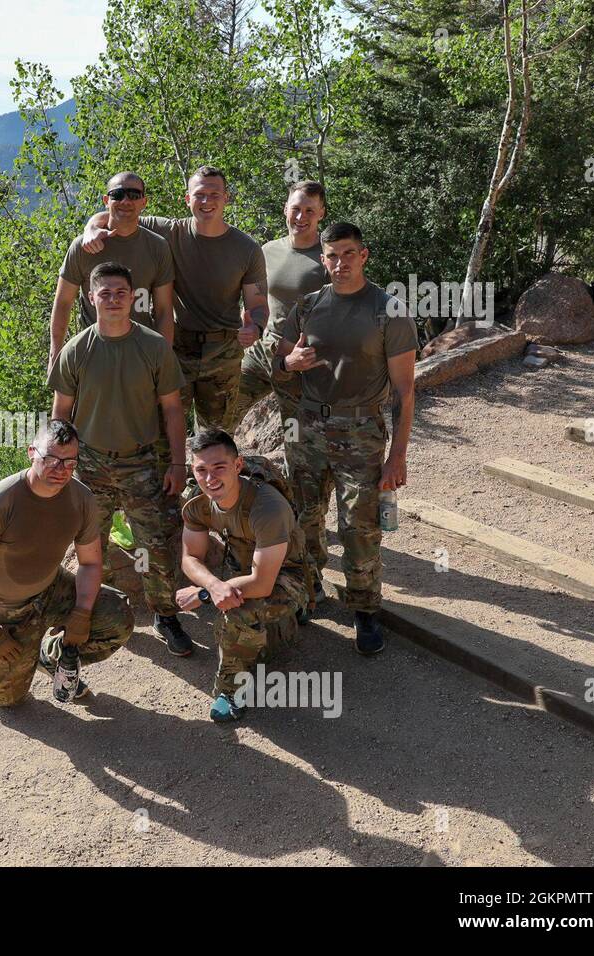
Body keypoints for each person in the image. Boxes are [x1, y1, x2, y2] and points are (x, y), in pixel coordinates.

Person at [273, 222, 417, 654]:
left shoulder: (388, 310)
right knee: (303, 519)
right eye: (332, 255)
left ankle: (365, 609)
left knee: (359, 526)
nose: (341, 263)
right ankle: (309, 591)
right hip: (308, 429)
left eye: (349, 253)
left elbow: (405, 391)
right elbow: (279, 359)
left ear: (364, 255)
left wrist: (397, 457)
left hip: (360, 431)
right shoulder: (309, 305)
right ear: (323, 259)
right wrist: (290, 363)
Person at [49, 261, 195, 656]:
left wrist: (178, 465)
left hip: (142, 462)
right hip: (90, 464)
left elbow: (173, 411)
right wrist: (61, 465)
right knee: (90, 544)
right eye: (105, 293)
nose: (113, 300)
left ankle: (166, 616)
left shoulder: (153, 347)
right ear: (91, 297)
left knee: (158, 545)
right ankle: (104, 611)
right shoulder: (76, 350)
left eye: (120, 293)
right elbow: (60, 413)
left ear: (133, 298)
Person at [0, 419, 135, 707]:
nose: (60, 470)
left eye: (69, 463)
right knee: (4, 697)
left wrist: (82, 613)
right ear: (31, 452)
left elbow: (89, 563)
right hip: (6, 607)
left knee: (117, 618)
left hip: (51, 587)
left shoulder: (81, 498)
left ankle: (48, 655)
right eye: (51, 459)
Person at [80, 166, 268, 432]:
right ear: (187, 199)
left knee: (217, 436)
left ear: (226, 198)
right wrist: (90, 228)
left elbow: (258, 305)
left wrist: (255, 327)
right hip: (176, 349)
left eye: (214, 194)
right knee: (164, 431)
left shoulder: (247, 249)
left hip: (223, 353)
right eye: (199, 195)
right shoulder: (170, 231)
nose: (206, 202)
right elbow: (118, 213)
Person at [176, 429, 309, 721]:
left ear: (237, 466)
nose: (210, 479)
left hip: (286, 574)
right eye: (201, 470)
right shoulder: (198, 501)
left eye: (219, 468)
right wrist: (213, 585)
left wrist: (204, 594)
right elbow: (190, 557)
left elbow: (262, 584)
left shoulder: (267, 506)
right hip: (242, 562)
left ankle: (232, 689)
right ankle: (271, 632)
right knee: (228, 601)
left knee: (237, 610)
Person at [222, 180, 329, 434]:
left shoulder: (329, 257)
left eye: (310, 211)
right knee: (223, 410)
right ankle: (214, 470)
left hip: (302, 360)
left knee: (298, 438)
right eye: (296, 209)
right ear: (285, 209)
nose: (301, 217)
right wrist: (246, 325)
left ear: (321, 214)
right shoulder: (266, 251)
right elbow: (254, 299)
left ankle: (297, 473)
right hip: (262, 350)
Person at [49, 171, 175, 370]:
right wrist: (55, 354)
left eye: (134, 195)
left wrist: (164, 361)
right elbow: (63, 302)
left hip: (142, 355)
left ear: (144, 202)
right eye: (118, 194)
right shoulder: (84, 247)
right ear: (106, 200)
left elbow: (164, 311)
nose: (126, 200)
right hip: (93, 355)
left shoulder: (158, 247)